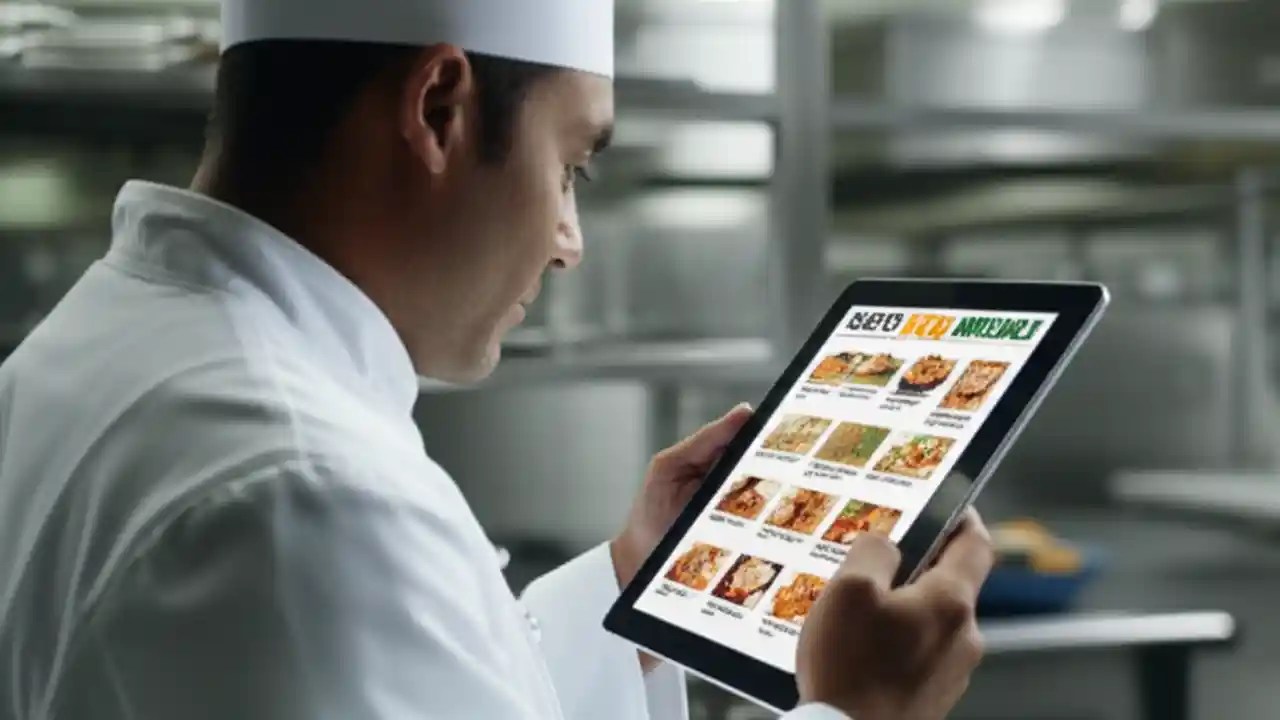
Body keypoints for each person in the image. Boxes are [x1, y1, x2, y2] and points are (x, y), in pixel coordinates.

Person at [0, 1, 993, 718]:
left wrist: (626, 591)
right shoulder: (307, 495)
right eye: (568, 167)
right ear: (438, 106)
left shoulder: (86, 350)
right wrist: (856, 714)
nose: (568, 240)